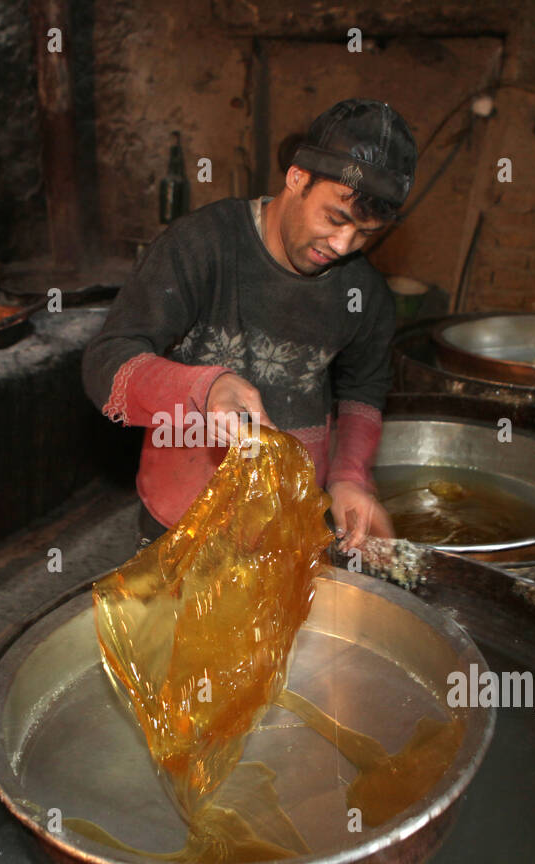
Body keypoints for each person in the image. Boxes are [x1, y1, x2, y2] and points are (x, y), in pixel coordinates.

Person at [83, 99, 417, 551]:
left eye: (364, 233)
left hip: (290, 525)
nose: (343, 244)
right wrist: (204, 390)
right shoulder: (200, 246)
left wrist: (349, 476)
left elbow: (362, 390)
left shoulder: (365, 293)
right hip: (182, 523)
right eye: (335, 218)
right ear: (297, 177)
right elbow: (106, 365)